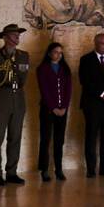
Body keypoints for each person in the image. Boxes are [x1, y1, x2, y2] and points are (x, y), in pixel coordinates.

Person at [0, 23, 30, 185]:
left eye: (18, 35)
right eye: (14, 35)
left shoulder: (23, 55)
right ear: (6, 37)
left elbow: (23, 78)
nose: (18, 37)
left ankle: (11, 172)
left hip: (18, 98)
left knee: (15, 137)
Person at [77, 32, 104, 177]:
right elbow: (85, 80)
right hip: (92, 104)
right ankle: (91, 169)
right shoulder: (86, 59)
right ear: (95, 43)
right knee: (91, 137)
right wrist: (102, 94)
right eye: (103, 43)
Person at [35, 42, 72, 181]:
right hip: (48, 110)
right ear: (49, 53)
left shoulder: (65, 69)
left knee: (59, 141)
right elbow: (44, 91)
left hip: (62, 111)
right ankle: (44, 170)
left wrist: (64, 108)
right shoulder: (42, 69)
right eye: (56, 52)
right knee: (45, 140)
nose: (59, 55)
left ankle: (59, 169)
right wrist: (53, 108)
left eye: (61, 53)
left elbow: (68, 90)